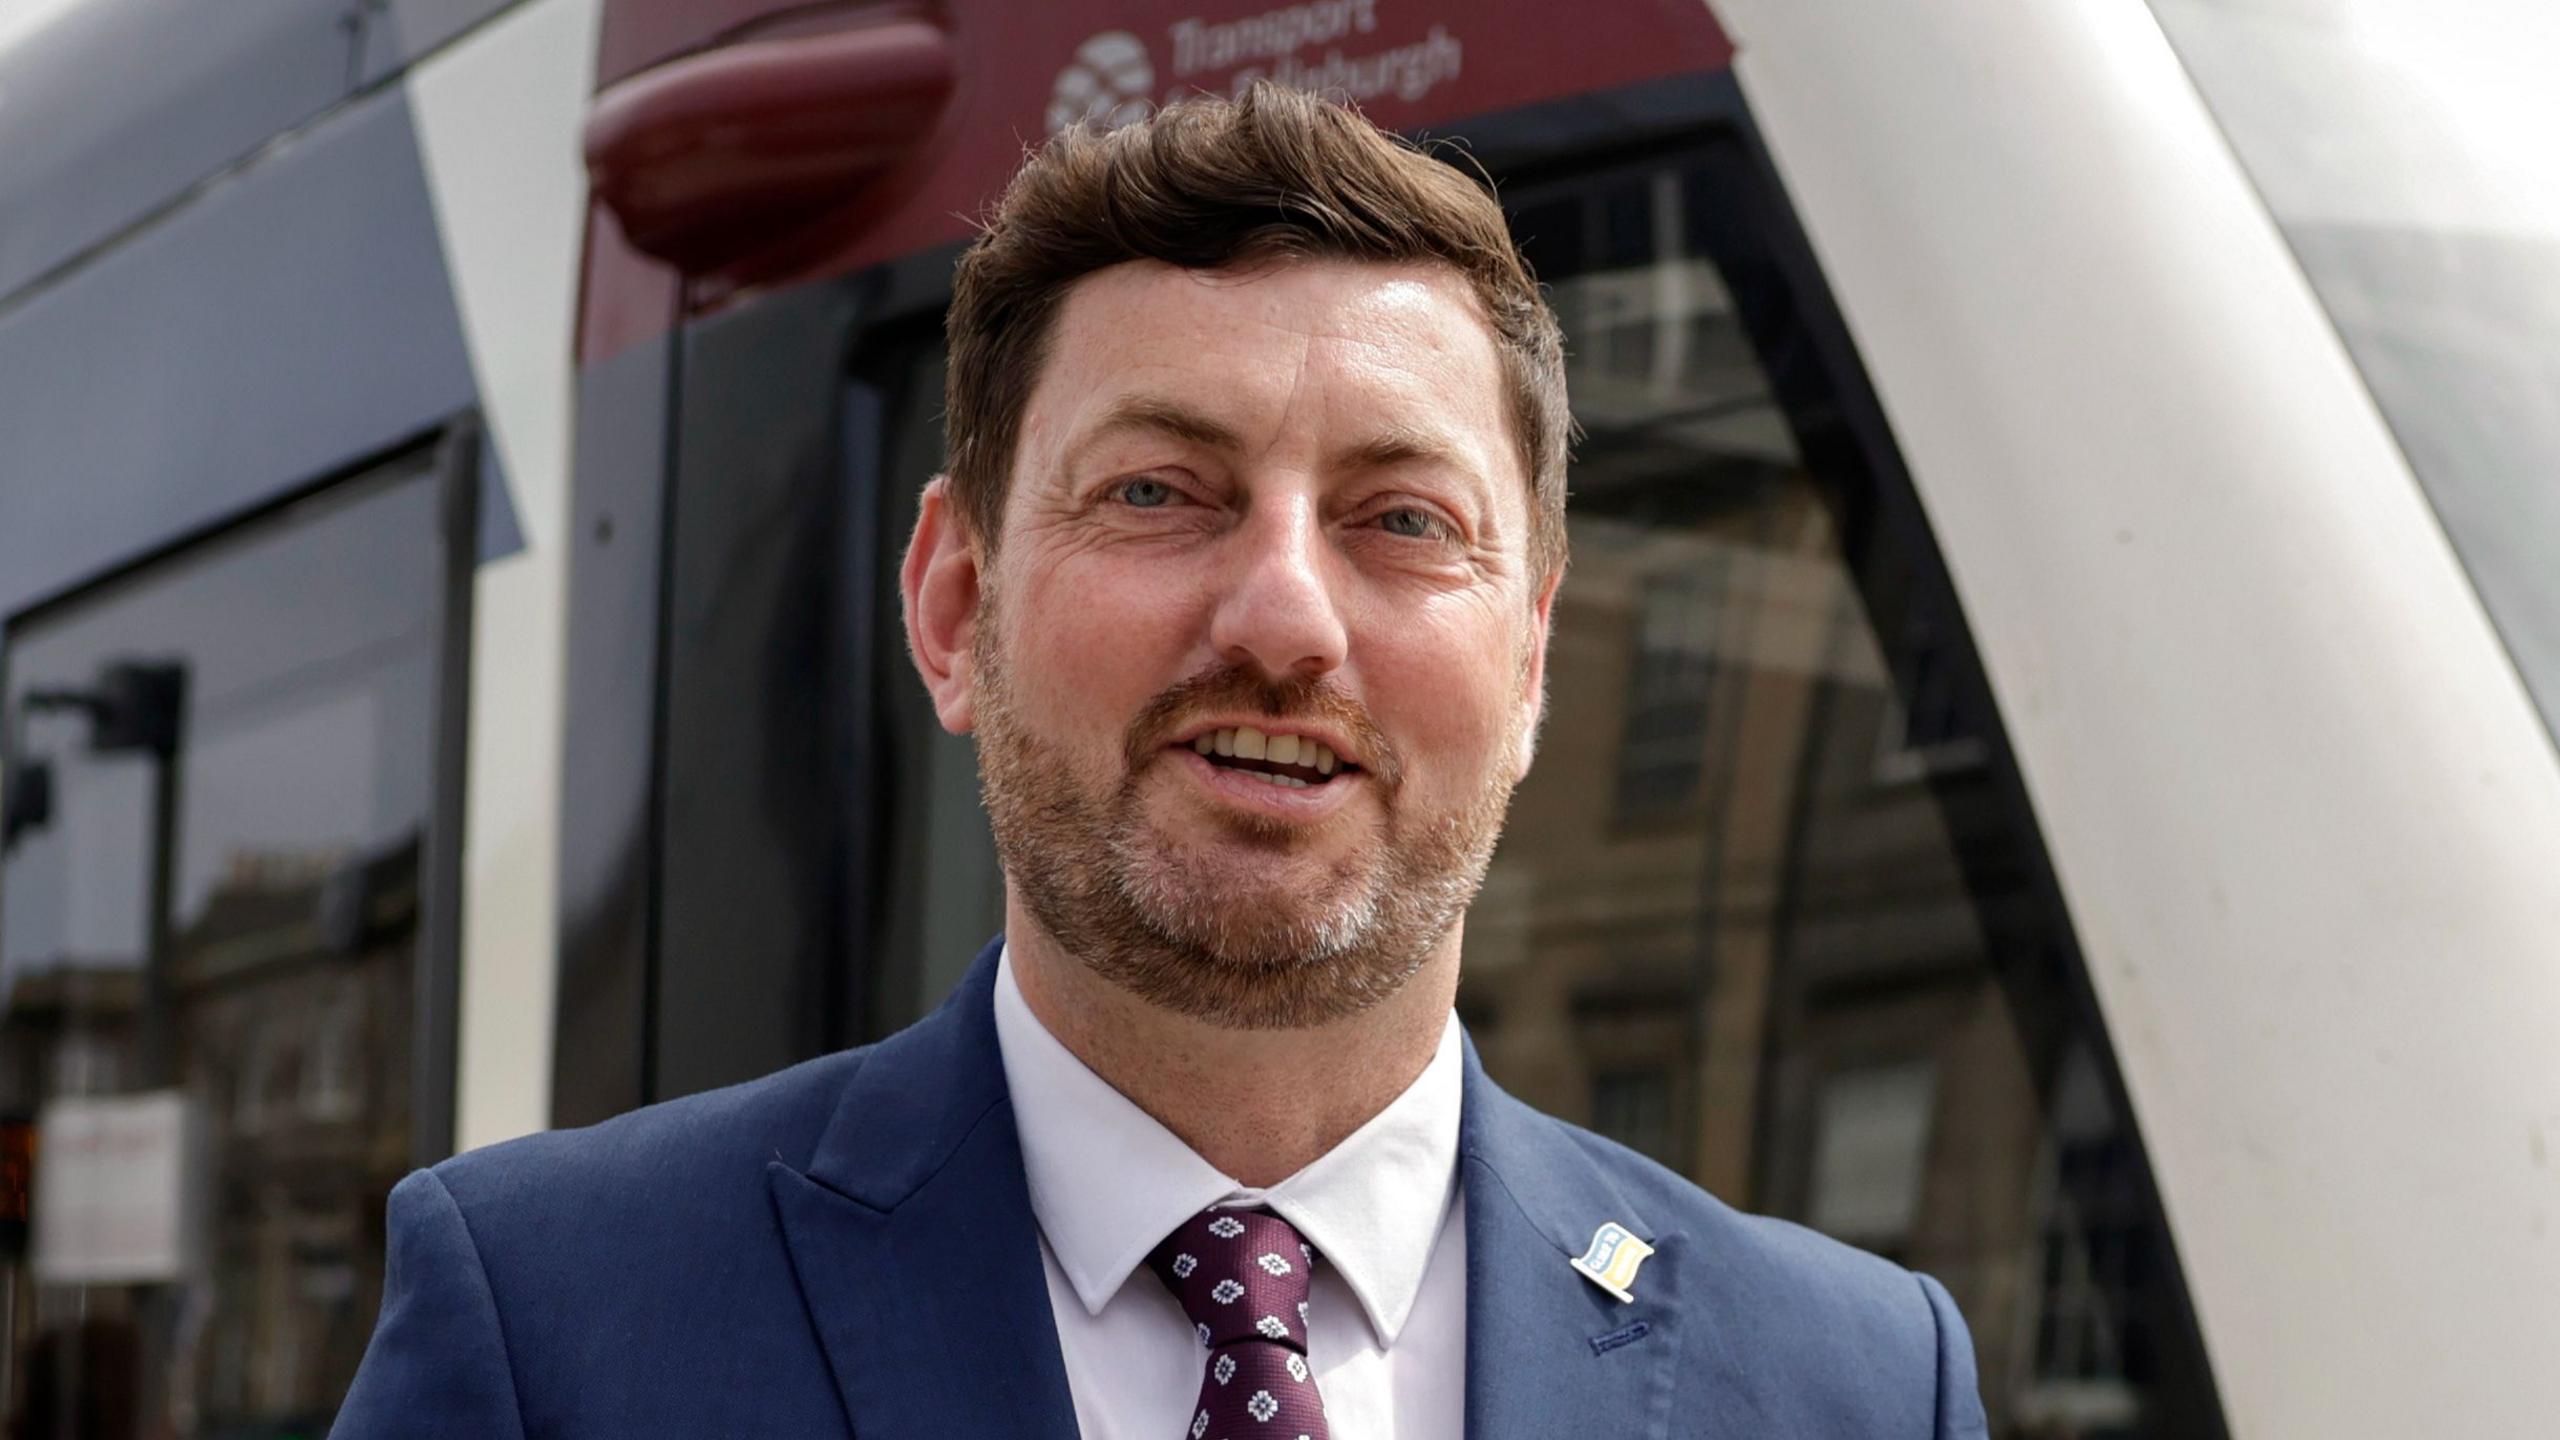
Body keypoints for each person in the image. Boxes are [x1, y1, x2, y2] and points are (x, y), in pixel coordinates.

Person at [335, 85, 1988, 1439]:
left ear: (1532, 657)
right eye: (1158, 493)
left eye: (1403, 522)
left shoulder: (1853, 1384)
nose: (1285, 618)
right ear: (955, 602)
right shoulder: (548, 1328)